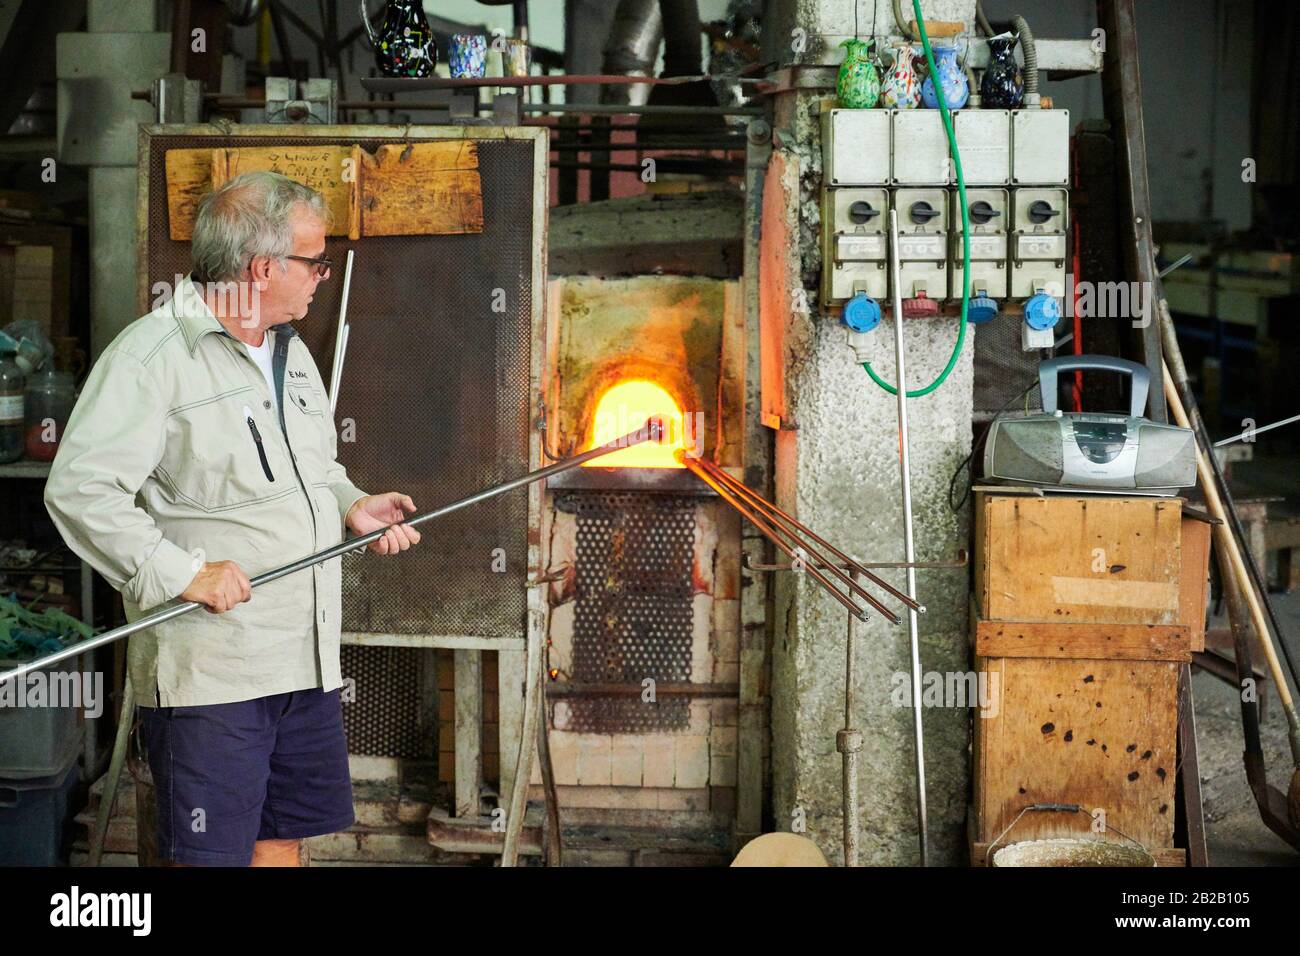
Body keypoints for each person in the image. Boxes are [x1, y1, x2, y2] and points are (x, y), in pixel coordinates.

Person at [45, 171, 420, 867]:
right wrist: (183, 573)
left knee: (281, 840)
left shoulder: (290, 351)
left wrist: (350, 503)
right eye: (314, 261)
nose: (321, 276)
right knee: (207, 856)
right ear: (262, 268)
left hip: (303, 657)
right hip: (213, 674)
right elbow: (79, 490)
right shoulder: (152, 357)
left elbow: (312, 468)